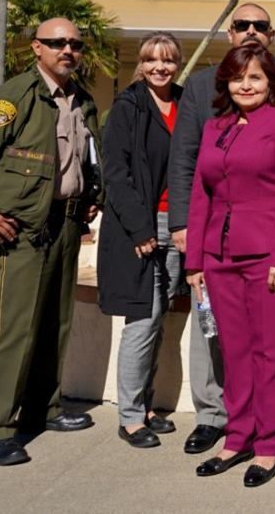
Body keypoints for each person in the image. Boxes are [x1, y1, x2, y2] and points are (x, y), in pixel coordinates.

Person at [0, 18, 103, 466]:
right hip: (22, 231)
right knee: (14, 329)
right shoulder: (14, 99)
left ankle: (42, 409)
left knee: (56, 322)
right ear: (37, 48)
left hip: (67, 226)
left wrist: (92, 196)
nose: (67, 50)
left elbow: (85, 159)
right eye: (57, 43)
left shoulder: (81, 100)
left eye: (74, 43)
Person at [167, 3, 275, 455]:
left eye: (254, 78)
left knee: (269, 355)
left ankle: (269, 443)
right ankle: (237, 437)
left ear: (269, 81)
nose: (245, 85)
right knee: (232, 353)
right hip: (219, 258)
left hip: (268, 257)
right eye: (237, 78)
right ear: (226, 83)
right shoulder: (216, 127)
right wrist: (196, 262)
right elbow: (201, 193)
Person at [96, 31, 184, 448]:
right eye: (152, 60)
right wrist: (141, 230)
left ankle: (146, 405)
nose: (159, 67)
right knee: (142, 321)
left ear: (178, 63)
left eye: (167, 60)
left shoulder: (186, 103)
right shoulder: (128, 106)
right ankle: (130, 417)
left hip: (179, 223)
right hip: (142, 228)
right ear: (141, 63)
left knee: (160, 317)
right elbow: (116, 173)